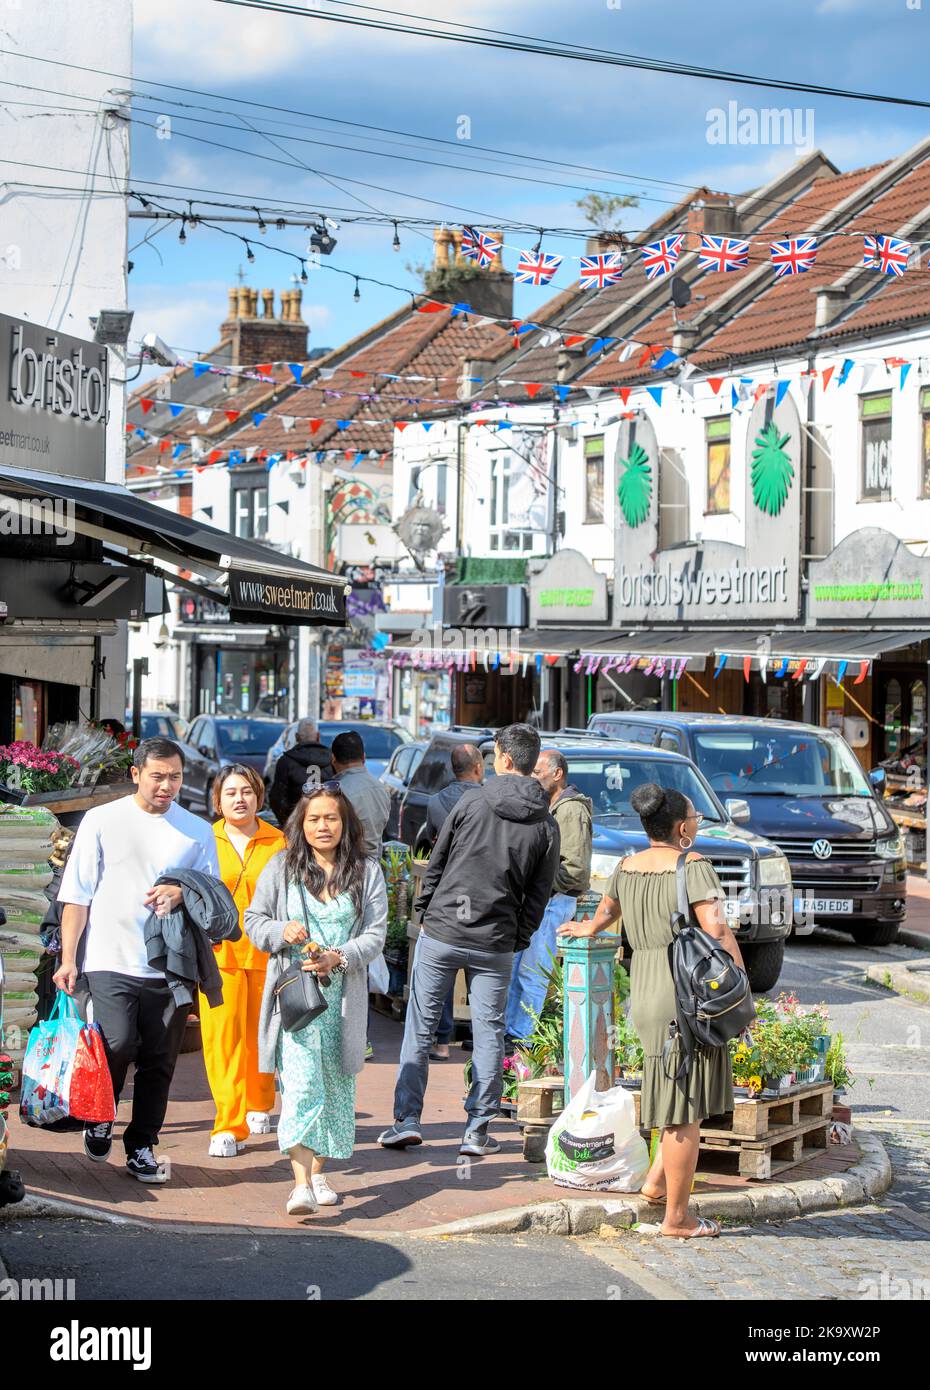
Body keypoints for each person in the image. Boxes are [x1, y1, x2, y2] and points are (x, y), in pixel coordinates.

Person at [560, 782, 746, 1240]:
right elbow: (718, 932)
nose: (698, 825)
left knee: (676, 1097)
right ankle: (678, 1220)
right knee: (683, 1113)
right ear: (682, 828)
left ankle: (654, 1188)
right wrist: (739, 988)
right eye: (697, 819)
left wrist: (586, 928)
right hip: (686, 997)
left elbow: (606, 912)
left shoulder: (626, 867)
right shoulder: (694, 867)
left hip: (646, 993)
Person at [379, 724, 559, 1156]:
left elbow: (436, 861)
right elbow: (539, 893)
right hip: (494, 940)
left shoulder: (472, 800)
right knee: (489, 1032)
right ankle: (477, 1130)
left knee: (420, 1028)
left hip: (444, 929)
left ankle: (406, 1120)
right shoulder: (546, 823)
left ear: (504, 759)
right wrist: (518, 937)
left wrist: (423, 914)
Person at [53, 738, 220, 1184]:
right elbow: (76, 895)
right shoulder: (102, 820)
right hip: (110, 956)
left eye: (176, 777)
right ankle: (101, 1114)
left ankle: (143, 1144)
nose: (167, 785)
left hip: (170, 965)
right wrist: (69, 958)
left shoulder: (197, 830)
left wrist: (183, 891)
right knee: (118, 1043)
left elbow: (213, 895)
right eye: (158, 776)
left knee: (161, 1060)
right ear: (136, 775)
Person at [244, 785, 387, 1215]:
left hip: (343, 1000)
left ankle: (320, 1172)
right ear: (300, 825)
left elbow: (376, 935)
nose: (322, 826)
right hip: (297, 999)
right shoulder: (282, 867)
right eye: (313, 819)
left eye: (331, 819)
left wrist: (338, 957)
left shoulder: (367, 871)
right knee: (303, 1086)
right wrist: (280, 931)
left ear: (345, 824)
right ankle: (301, 1185)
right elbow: (254, 921)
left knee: (336, 1089)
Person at [201, 764, 286, 1158]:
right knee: (223, 1040)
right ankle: (228, 1124)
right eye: (232, 792)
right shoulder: (204, 839)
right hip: (219, 956)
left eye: (248, 792)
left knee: (262, 1038)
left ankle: (259, 1101)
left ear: (259, 797)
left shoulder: (279, 841)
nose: (240, 799)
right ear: (217, 800)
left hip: (268, 954)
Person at [505, 748, 593, 1046]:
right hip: (541, 900)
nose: (533, 777)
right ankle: (512, 1032)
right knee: (519, 968)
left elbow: (575, 870)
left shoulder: (571, 809)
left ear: (557, 774)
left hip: (554, 901)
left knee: (532, 970)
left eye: (538, 772)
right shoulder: (551, 804)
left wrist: (541, 884)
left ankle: (523, 1039)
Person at [422, 743, 484, 1060]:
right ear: (478, 768)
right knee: (482, 967)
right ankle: (478, 1037)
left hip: (448, 892)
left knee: (444, 967)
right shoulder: (488, 800)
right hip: (482, 891)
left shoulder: (435, 802)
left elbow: (434, 845)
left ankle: (442, 1041)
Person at [330, 730, 391, 858]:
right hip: (375, 864)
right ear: (364, 757)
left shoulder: (335, 792)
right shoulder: (382, 789)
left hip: (346, 866)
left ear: (333, 759)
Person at [268, 719, 334, 827]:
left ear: (297, 737)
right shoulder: (333, 759)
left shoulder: (286, 761)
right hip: (327, 822)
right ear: (318, 736)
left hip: (297, 823)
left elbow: (277, 797)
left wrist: (287, 822)